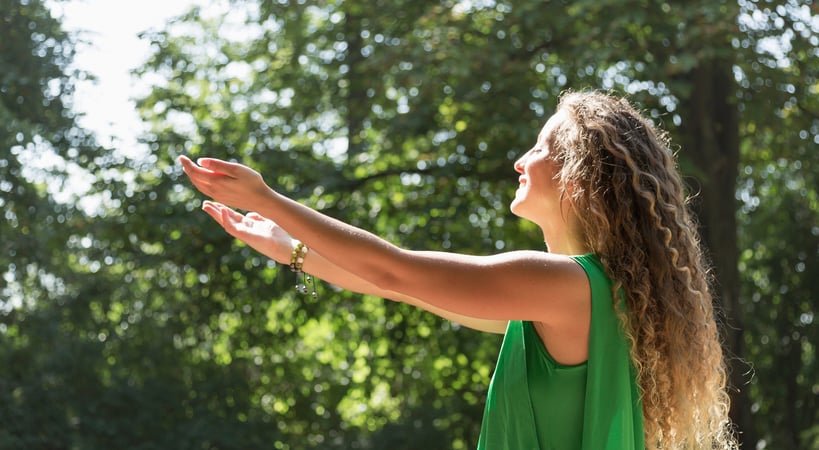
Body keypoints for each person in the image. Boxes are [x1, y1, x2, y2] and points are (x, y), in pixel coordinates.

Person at [179, 90, 738, 449]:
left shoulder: (566, 284)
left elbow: (397, 271)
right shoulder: (586, 298)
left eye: (541, 148)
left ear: (579, 176)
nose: (520, 160)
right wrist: (292, 250)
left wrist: (269, 198)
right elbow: (408, 291)